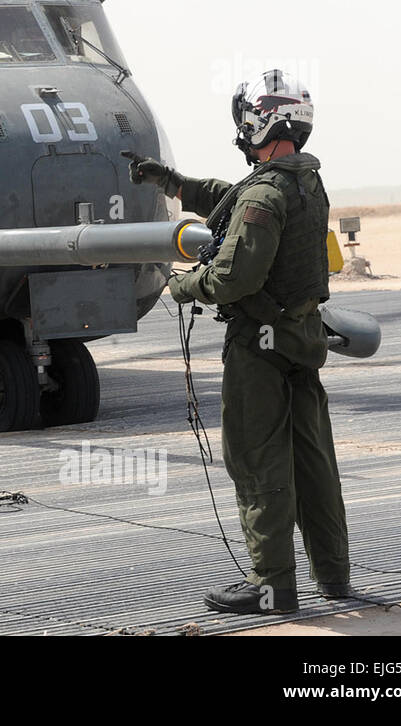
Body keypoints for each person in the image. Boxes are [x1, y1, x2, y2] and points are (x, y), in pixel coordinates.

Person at [124, 69, 352, 615]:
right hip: (301, 339)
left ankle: (271, 586)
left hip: (259, 351)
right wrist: (172, 182)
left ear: (262, 121)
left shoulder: (265, 195)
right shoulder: (304, 182)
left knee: (257, 461)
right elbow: (231, 196)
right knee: (313, 461)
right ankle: (334, 576)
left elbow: (233, 278)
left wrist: (180, 285)